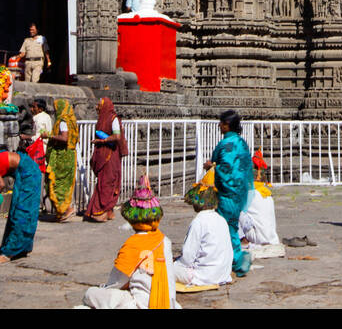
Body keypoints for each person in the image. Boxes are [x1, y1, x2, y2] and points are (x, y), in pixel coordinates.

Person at [80, 175, 178, 309]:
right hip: (168, 303)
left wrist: (105, 288)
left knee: (91, 293)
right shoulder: (165, 240)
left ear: (131, 220)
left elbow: (117, 282)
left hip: (141, 304)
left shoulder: (133, 244)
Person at [204, 109, 252, 276]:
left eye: (222, 123)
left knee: (229, 228)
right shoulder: (242, 143)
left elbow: (219, 165)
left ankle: (238, 260)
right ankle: (230, 257)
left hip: (227, 192)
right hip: (241, 191)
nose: (219, 125)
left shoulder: (224, 144)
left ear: (227, 125)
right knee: (231, 225)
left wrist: (211, 167)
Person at [174, 182, 234, 287]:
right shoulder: (221, 219)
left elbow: (188, 257)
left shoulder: (199, 221)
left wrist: (176, 262)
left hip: (205, 276)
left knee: (167, 268)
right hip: (223, 273)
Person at [84, 97, 126, 221]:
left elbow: (117, 136)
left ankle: (100, 211)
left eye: (99, 105)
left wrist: (102, 140)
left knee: (107, 182)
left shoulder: (113, 119)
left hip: (110, 155)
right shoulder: (102, 119)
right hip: (104, 153)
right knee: (104, 181)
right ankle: (107, 211)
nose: (97, 107)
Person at [46, 98, 80, 221]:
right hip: (69, 155)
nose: (55, 111)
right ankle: (61, 211)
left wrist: (49, 136)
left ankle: (66, 209)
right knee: (63, 184)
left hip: (62, 156)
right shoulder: (71, 120)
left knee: (57, 183)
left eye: (56, 108)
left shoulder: (63, 121)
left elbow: (65, 138)